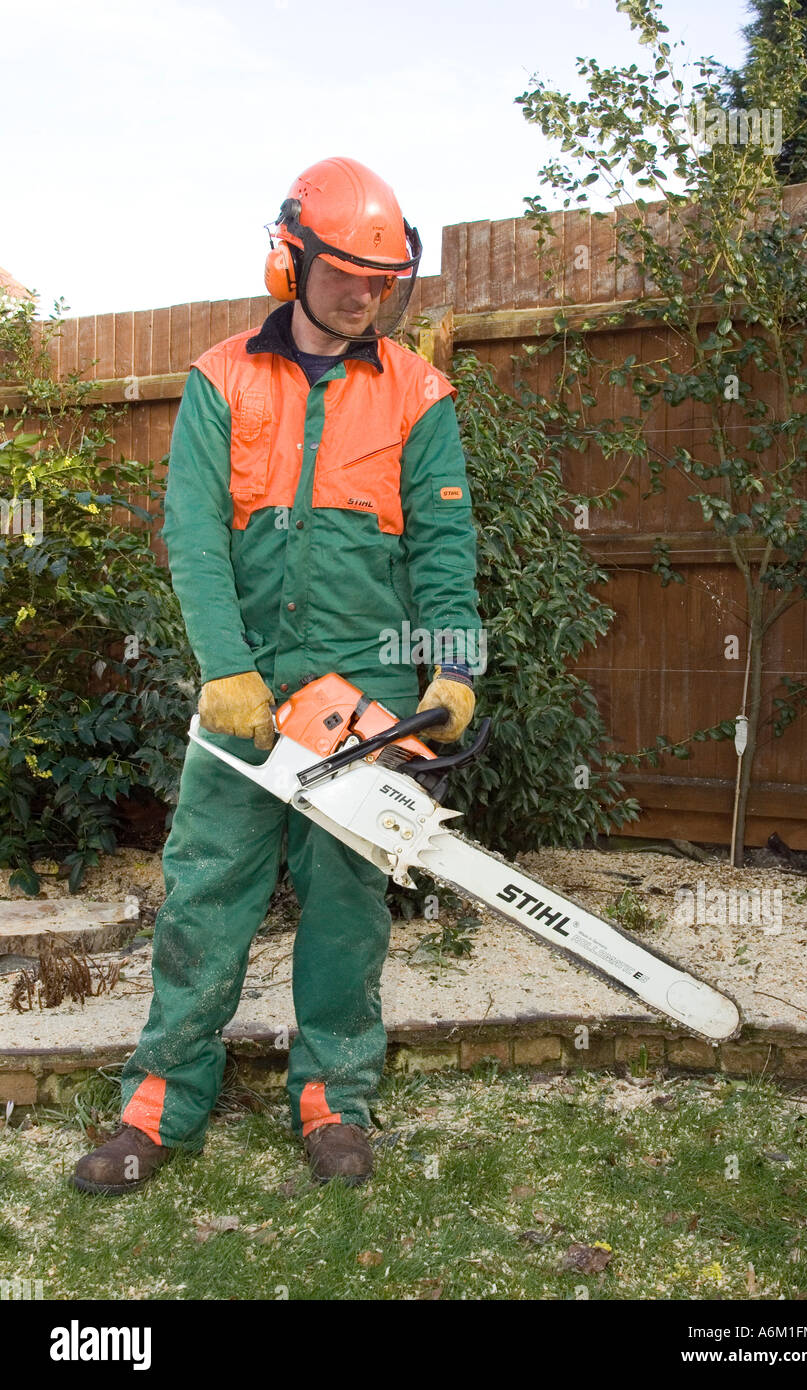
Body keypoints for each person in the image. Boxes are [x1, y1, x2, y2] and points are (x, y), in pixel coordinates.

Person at [73, 156, 482, 1194]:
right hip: (245, 695)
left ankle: (333, 1100)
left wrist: (454, 671)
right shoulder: (220, 379)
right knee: (207, 891)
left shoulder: (418, 392)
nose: (363, 294)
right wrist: (227, 669)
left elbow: (443, 549)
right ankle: (159, 1103)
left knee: (345, 900)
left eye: (381, 279)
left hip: (364, 694)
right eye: (345, 272)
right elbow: (194, 535)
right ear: (289, 259)